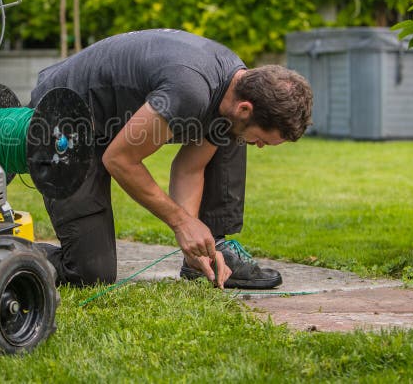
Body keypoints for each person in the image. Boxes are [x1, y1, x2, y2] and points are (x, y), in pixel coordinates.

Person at [29, 29, 312, 289]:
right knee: (90, 273)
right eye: (263, 139)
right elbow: (120, 160)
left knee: (234, 134)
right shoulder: (189, 91)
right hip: (64, 117)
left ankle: (208, 251)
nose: (260, 147)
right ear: (246, 108)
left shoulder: (236, 88)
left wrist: (192, 240)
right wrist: (181, 223)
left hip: (112, 123)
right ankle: (10, 252)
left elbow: (190, 168)